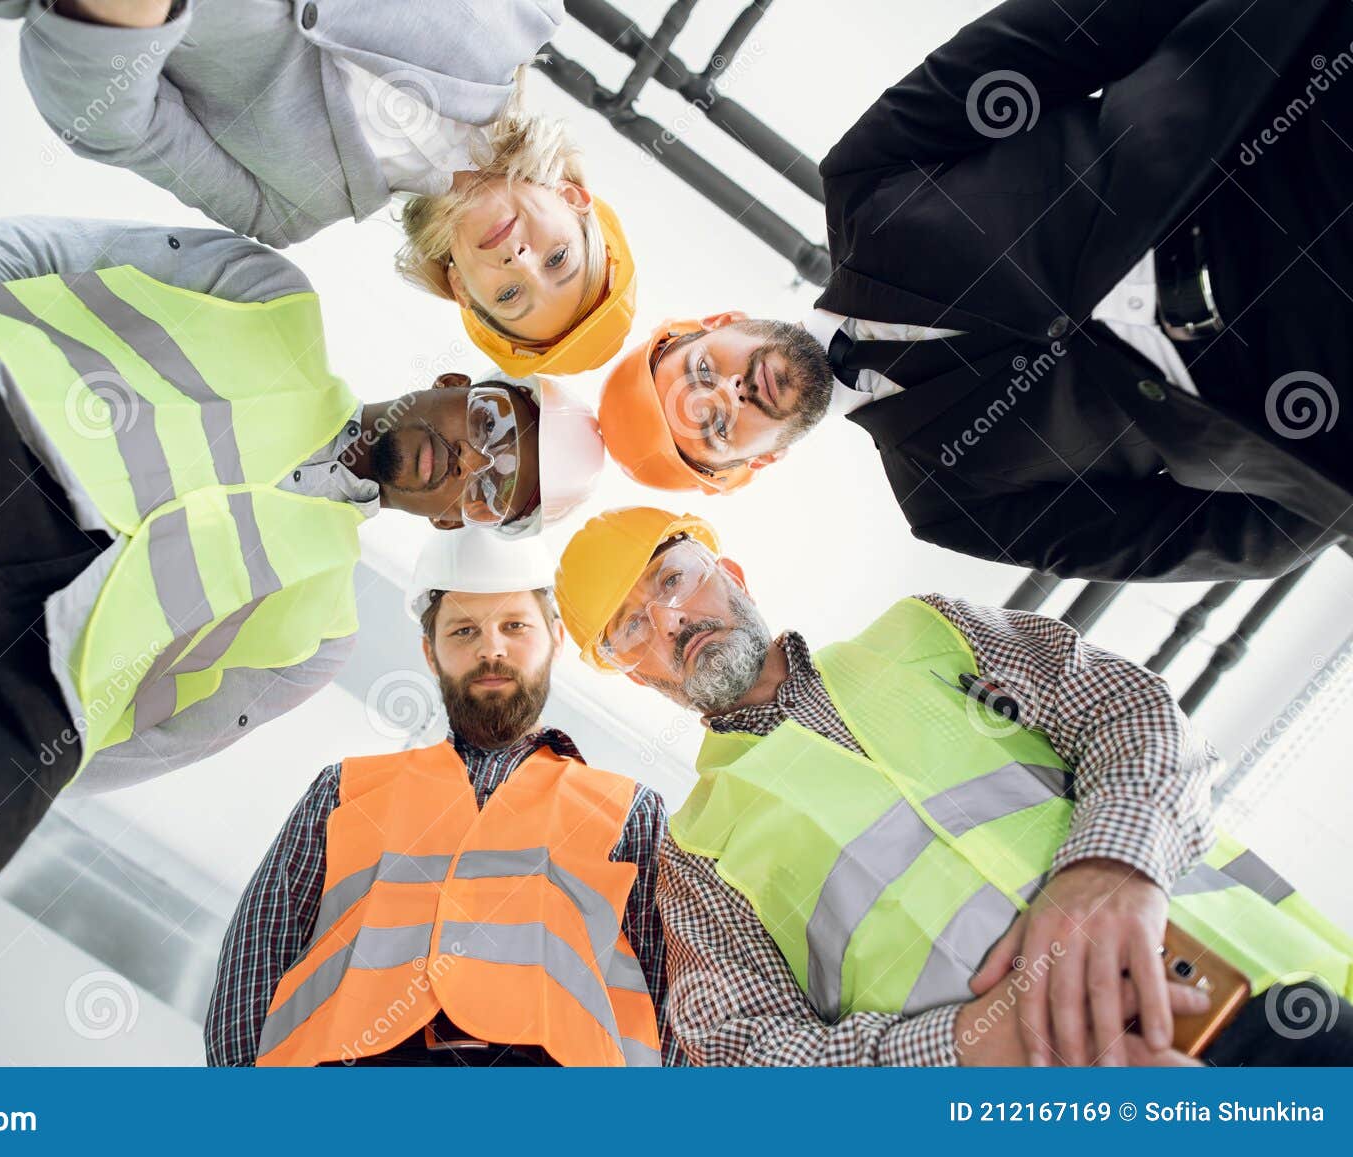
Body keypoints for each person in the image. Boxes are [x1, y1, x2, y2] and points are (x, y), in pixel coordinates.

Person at [0, 215, 603, 1056]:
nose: (469, 460)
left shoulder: (321, 637)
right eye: (489, 426)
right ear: (458, 381)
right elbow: (37, 251)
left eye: (494, 488)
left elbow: (150, 745)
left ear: (459, 518)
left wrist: (37, 751)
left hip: (16, 693)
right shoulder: (271, 297)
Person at [552, 507, 1353, 1065]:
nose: (668, 622)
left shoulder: (924, 632)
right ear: (638, 677)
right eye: (629, 629)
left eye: (671, 579)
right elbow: (750, 1059)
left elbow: (1128, 712)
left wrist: (1109, 869)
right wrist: (970, 1045)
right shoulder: (693, 858)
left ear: (728, 571)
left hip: (1254, 989)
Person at [600, 0, 1353, 582]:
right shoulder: (948, 504)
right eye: (716, 429)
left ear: (718, 322)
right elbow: (1188, 542)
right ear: (753, 466)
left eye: (701, 370)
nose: (730, 392)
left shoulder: (864, 180)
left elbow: (1063, 33)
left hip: (1283, 138)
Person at [0, 0, 637, 376]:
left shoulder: (285, 208)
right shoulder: (521, 12)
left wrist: (127, 14)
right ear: (574, 199)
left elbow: (111, 126)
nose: (521, 264)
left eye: (511, 296)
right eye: (558, 262)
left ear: (465, 289)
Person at [205, 530, 678, 1066]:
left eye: (514, 626)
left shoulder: (630, 813)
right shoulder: (344, 790)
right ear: (431, 654)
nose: (491, 647)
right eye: (463, 630)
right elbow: (258, 946)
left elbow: (676, 997)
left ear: (556, 638)